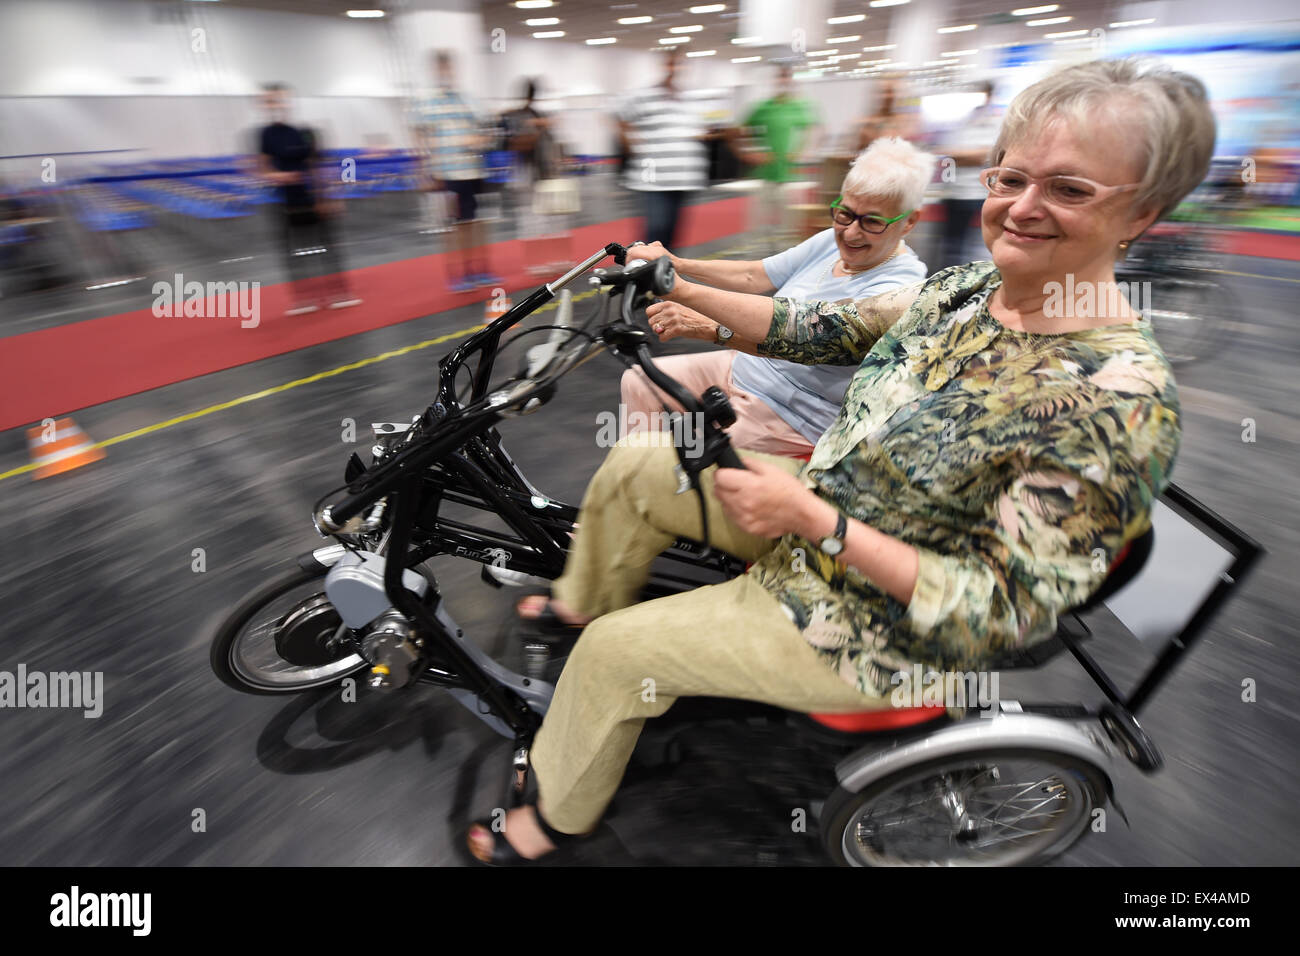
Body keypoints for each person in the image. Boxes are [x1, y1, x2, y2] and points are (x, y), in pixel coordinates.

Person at [464, 56, 1213, 864]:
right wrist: (672, 277)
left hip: (879, 626)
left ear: (1143, 212)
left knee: (619, 654)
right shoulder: (966, 290)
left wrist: (814, 521)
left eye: (1069, 190)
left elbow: (1004, 610)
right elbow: (810, 326)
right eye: (1010, 177)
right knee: (645, 464)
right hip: (831, 514)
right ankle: (580, 601)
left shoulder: (1116, 399)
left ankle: (550, 821)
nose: (1021, 208)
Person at [618, 137, 933, 459]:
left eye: (873, 222)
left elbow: (804, 340)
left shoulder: (900, 288)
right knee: (638, 382)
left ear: (909, 221)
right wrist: (677, 263)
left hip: (794, 410)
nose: (851, 232)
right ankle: (645, 486)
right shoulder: (830, 241)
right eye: (845, 214)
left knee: (700, 458)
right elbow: (755, 275)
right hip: (745, 368)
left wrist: (687, 299)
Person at [254, 84, 361, 315]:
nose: (276, 106)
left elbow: (318, 165)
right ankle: (303, 299)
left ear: (287, 102)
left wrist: (329, 198)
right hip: (284, 202)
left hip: (313, 198)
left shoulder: (303, 133)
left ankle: (340, 292)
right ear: (265, 105)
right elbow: (261, 168)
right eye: (270, 102)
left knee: (328, 246)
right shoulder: (265, 135)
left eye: (279, 100)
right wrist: (279, 176)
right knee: (292, 252)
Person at [415, 50, 500, 293]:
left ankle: (481, 270)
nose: (445, 72)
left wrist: (480, 140)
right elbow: (420, 136)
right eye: (440, 68)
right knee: (455, 225)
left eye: (448, 68)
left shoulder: (469, 99)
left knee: (477, 222)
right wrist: (425, 170)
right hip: (447, 173)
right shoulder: (427, 103)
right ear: (434, 71)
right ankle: (458, 274)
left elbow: (489, 130)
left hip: (474, 171)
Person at [617, 47, 711, 248]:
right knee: (656, 232)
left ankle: (664, 275)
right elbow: (618, 116)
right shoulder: (643, 96)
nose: (675, 68)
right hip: (654, 179)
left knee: (672, 234)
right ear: (663, 65)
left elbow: (698, 131)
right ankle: (645, 274)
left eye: (679, 63)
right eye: (670, 63)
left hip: (684, 179)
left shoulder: (689, 99)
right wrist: (631, 143)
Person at [735, 62, 820, 255]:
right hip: (765, 176)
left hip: (789, 176)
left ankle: (787, 263)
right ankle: (754, 263)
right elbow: (739, 130)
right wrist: (749, 152)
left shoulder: (798, 107)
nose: (784, 81)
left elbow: (813, 129)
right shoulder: (764, 107)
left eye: (787, 77)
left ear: (791, 81)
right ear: (776, 81)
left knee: (789, 227)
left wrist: (801, 151)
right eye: (780, 77)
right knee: (757, 227)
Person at [939, 81, 1001, 269]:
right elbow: (946, 153)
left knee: (977, 246)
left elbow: (983, 155)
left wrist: (959, 155)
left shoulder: (996, 122)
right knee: (951, 246)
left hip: (978, 194)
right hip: (954, 193)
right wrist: (960, 155)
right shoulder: (963, 120)